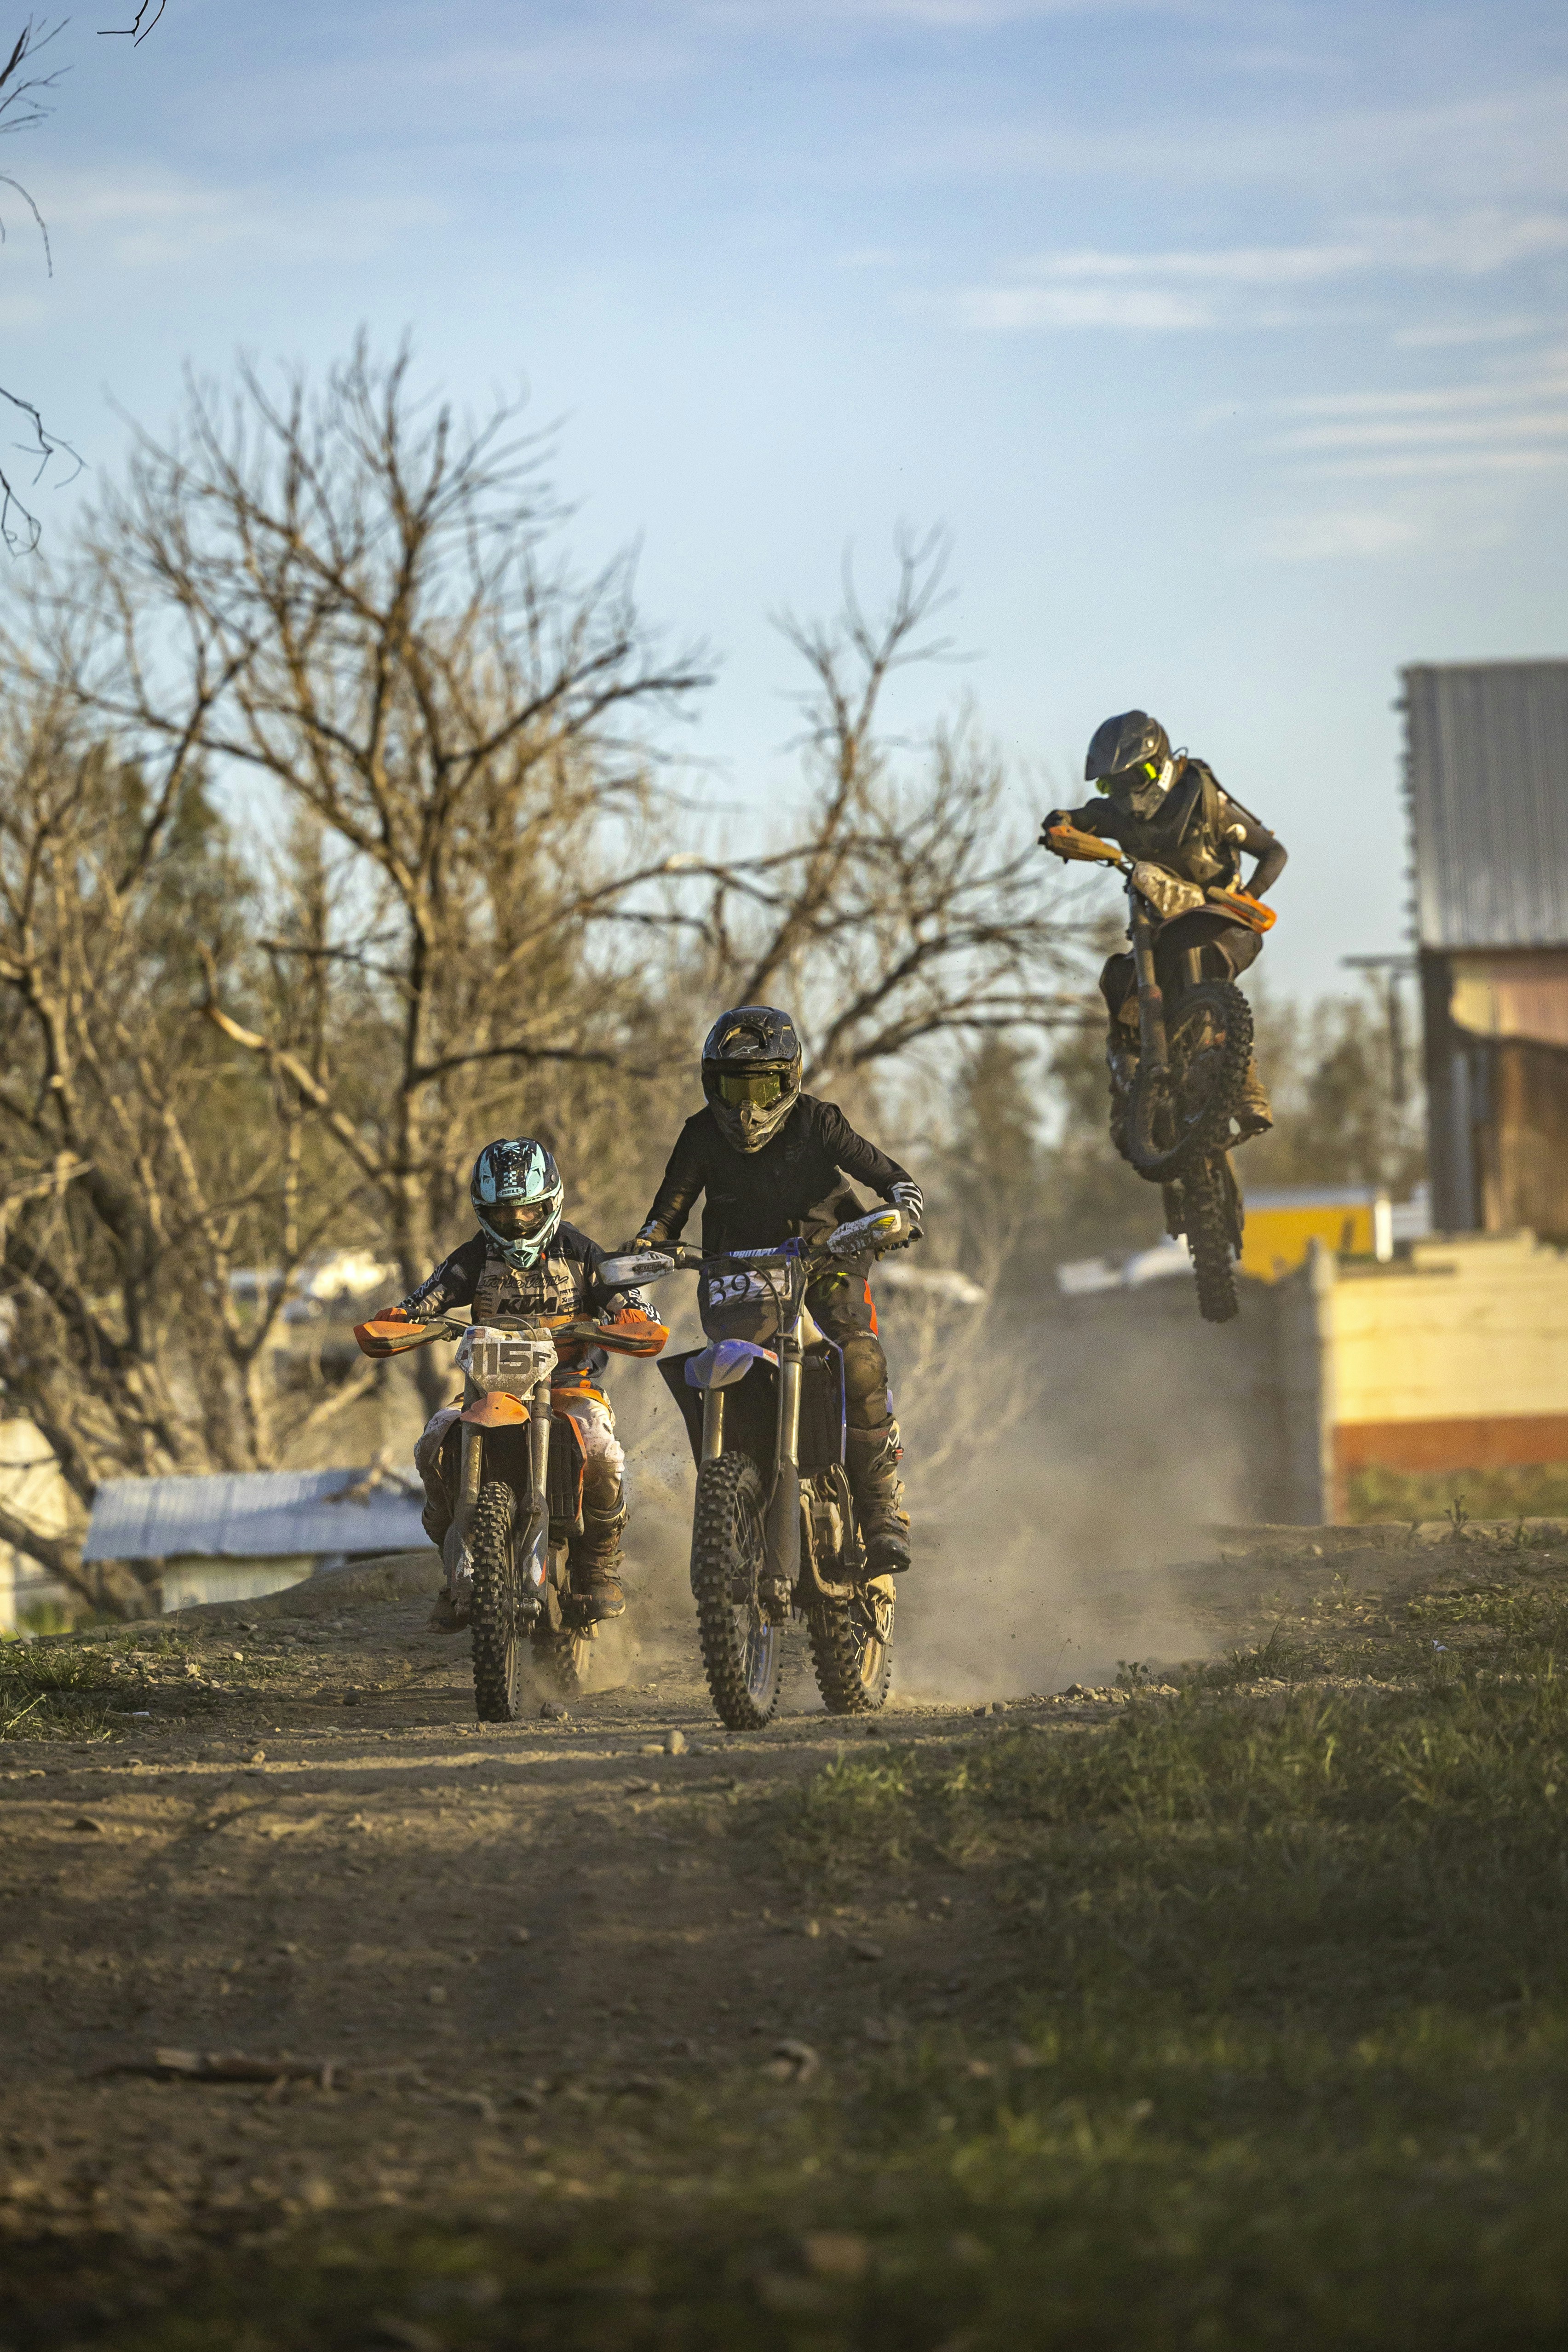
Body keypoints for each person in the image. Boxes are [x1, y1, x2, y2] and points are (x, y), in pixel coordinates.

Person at [628, 1006, 924, 1576]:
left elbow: (890, 1176)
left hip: (828, 1258)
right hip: (738, 1272)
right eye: (735, 1086)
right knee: (721, 1363)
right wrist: (649, 1244)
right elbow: (667, 1213)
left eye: (762, 1085)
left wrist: (902, 1209)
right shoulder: (699, 1134)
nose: (747, 1106)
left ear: (788, 1079)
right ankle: (740, 1487)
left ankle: (881, 1511)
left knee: (857, 1354)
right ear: (711, 1084)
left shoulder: (818, 1122)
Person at [372, 1137, 651, 1631]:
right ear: (484, 1212)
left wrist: (631, 1314)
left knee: (603, 1452)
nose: (519, 1224)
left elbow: (621, 1295)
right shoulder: (473, 1258)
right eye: (504, 1215)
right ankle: (454, 1565)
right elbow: (427, 1297)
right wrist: (403, 1318)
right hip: (489, 1388)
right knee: (433, 1441)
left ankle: (598, 1565)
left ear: (551, 1202)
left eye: (529, 1212)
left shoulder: (580, 1252)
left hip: (569, 1384)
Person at [1041, 710, 1287, 1140]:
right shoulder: (1118, 815)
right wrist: (1060, 822)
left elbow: (1273, 852)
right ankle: (1126, 1093)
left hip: (1219, 918)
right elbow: (1079, 816)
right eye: (1110, 785)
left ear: (1160, 765)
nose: (1124, 793)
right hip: (1158, 923)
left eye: (1133, 778)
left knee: (1217, 980)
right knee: (1118, 982)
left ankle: (1246, 1083)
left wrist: (1249, 897)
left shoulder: (1207, 804)